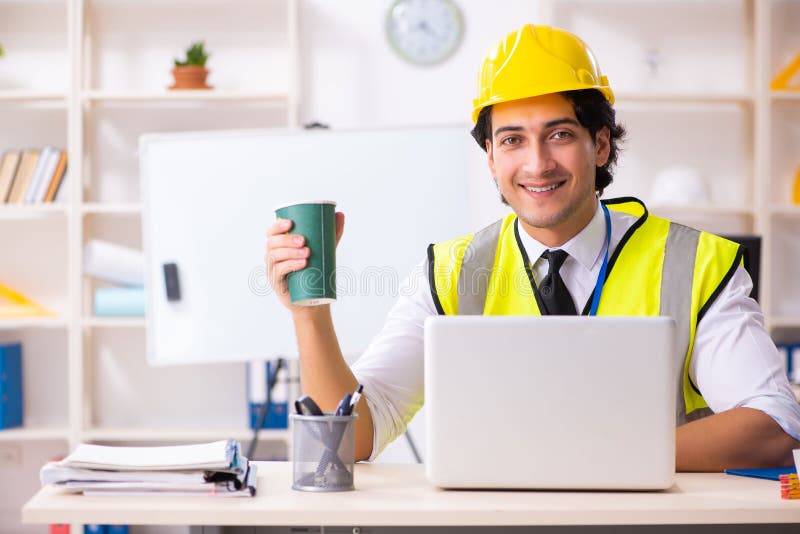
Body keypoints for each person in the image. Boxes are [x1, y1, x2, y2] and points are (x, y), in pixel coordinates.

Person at [266, 24, 800, 471]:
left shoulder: (695, 263)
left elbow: (776, 423)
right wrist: (308, 315)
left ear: (602, 144)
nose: (537, 162)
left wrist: (598, 459)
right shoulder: (449, 273)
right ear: (492, 160)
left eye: (561, 134)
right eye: (512, 139)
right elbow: (353, 439)